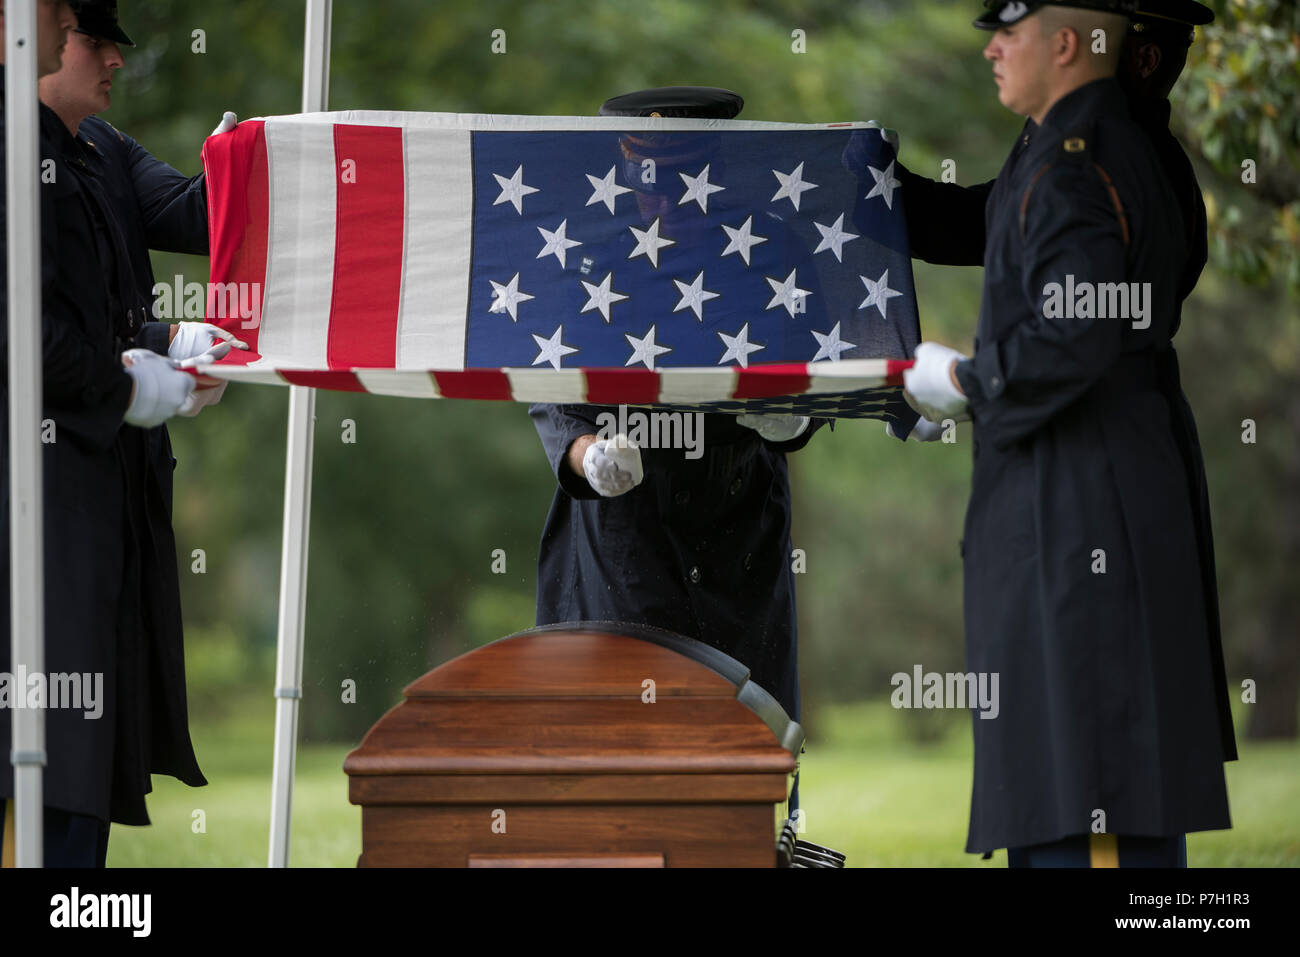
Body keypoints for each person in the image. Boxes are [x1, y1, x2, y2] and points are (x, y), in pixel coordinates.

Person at [901, 0, 1234, 867]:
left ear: (1065, 44)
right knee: (1077, 775)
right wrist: (873, 187)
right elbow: (990, 223)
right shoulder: (1088, 148)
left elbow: (1076, 329)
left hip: (1087, 505)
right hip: (1096, 489)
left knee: (1094, 788)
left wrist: (967, 382)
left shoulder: (1083, 161)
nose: (991, 49)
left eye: (1008, 32)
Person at [530, 87, 826, 731]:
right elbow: (551, 392)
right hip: (621, 529)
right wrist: (588, 457)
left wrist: (796, 417)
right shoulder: (586, 258)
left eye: (680, 188)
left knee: (749, 728)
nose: (663, 206)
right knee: (623, 732)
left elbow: (821, 370)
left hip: (738, 518)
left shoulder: (771, 253)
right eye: (648, 189)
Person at [0, 0, 200, 866]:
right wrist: (125, 385)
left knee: (80, 757)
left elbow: (191, 222)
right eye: (92, 36)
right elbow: (28, 334)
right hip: (34, 498)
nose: (114, 56)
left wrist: (166, 344)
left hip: (94, 500)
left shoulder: (99, 151)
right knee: (41, 755)